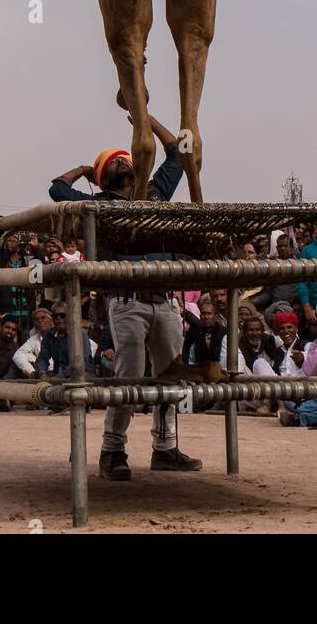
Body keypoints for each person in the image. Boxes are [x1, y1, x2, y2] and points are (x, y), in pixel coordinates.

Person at [49, 116, 201, 482]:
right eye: (111, 162)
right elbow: (57, 189)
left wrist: (145, 117)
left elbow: (180, 151)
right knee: (127, 379)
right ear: (103, 178)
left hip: (165, 299)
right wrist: (84, 169)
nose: (121, 161)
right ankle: (112, 451)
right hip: (127, 300)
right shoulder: (98, 204)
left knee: (170, 378)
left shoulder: (155, 192)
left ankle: (165, 448)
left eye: (124, 158)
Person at [34, 305, 91, 379]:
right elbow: (42, 358)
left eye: (62, 315)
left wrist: (59, 376)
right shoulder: (49, 335)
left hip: (80, 373)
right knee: (35, 375)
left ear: (69, 317)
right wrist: (42, 373)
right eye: (55, 316)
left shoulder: (79, 333)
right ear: (52, 319)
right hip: (57, 373)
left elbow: (82, 362)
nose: (59, 318)